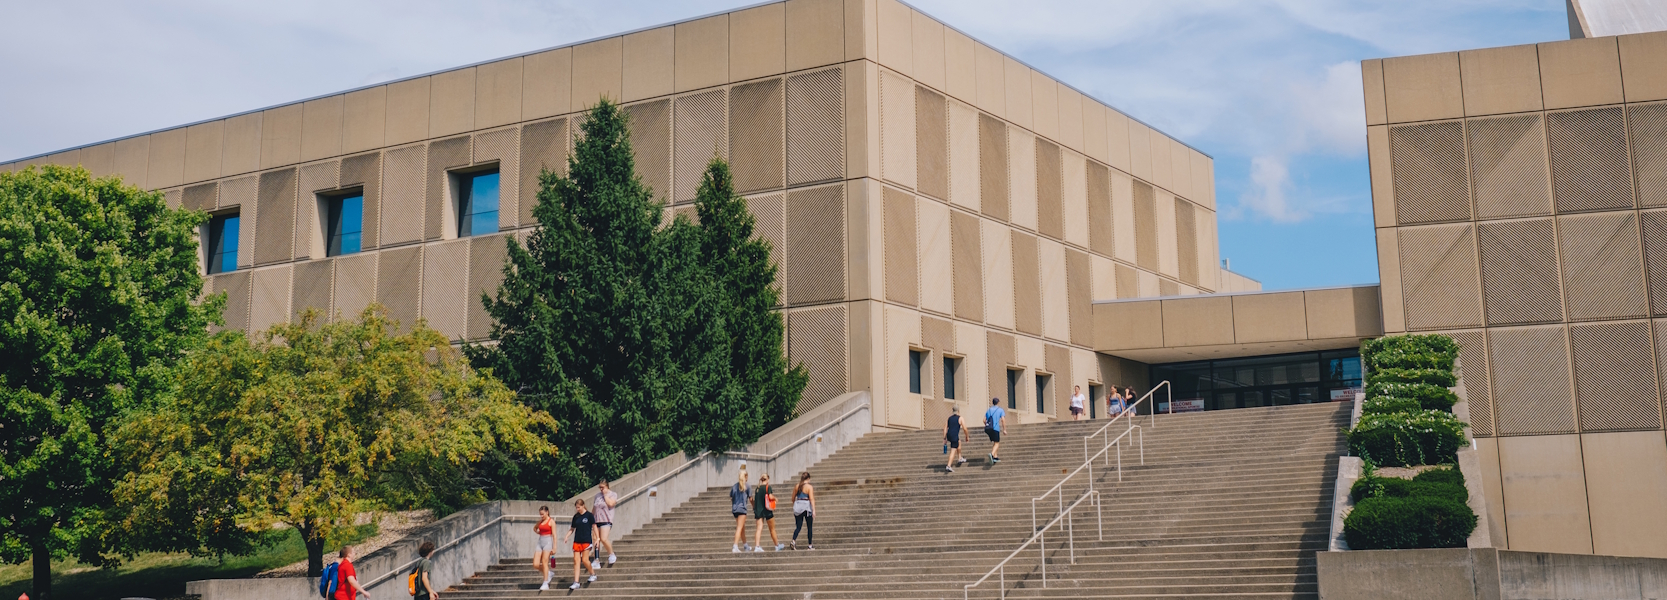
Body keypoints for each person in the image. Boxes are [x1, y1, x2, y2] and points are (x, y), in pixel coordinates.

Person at [561, 499, 599, 590]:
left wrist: (597, 538)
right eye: (576, 507)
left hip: (586, 540)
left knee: (585, 560)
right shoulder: (576, 517)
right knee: (576, 561)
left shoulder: (589, 515)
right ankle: (576, 582)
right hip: (577, 541)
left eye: (579, 507)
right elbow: (572, 529)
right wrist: (566, 536)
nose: (578, 509)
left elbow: (594, 527)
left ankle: (593, 574)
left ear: (583, 506)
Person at [591, 479, 619, 569]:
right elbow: (594, 508)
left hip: (606, 520)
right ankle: (596, 560)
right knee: (596, 540)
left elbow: (611, 504)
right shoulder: (597, 496)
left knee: (603, 538)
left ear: (607, 486)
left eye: (602, 487)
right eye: (600, 487)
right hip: (596, 520)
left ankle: (611, 554)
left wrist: (605, 495)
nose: (601, 489)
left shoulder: (612, 494)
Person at [752, 473, 782, 552]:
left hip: (759, 510)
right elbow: (770, 496)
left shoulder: (757, 488)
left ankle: (757, 546)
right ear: (768, 479)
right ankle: (777, 545)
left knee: (759, 529)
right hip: (767, 510)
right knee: (772, 529)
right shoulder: (768, 487)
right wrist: (776, 499)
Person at [791, 471, 816, 550]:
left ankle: (793, 540)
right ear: (808, 479)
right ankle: (810, 545)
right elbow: (811, 499)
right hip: (807, 507)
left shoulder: (797, 486)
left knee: (798, 526)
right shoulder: (809, 487)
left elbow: (792, 498)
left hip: (798, 506)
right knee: (809, 527)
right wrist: (814, 510)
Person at [730, 466, 753, 552]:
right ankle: (735, 546)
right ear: (746, 476)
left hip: (735, 509)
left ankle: (745, 545)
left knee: (742, 527)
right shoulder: (747, 486)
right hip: (742, 509)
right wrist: (754, 506)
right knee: (739, 528)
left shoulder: (734, 486)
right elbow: (750, 499)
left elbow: (731, 497)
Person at [533, 505, 556, 590]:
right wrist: (539, 533)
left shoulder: (551, 521)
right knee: (535, 564)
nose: (541, 516)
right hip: (540, 541)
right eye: (540, 514)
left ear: (547, 512)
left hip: (548, 541)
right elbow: (535, 528)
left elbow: (554, 535)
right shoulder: (540, 522)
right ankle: (548, 573)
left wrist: (554, 547)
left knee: (544, 562)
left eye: (543, 514)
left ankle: (546, 582)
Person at [944, 406, 969, 472]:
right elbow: (965, 428)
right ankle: (948, 466)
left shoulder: (949, 418)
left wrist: (944, 438)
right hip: (954, 435)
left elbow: (945, 428)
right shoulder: (960, 418)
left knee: (959, 442)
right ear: (958, 411)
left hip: (949, 435)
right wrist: (967, 436)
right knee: (953, 450)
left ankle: (960, 458)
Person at [984, 398, 1007, 464]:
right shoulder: (1000, 410)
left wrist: (987, 425)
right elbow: (1003, 420)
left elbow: (984, 420)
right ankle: (992, 454)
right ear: (998, 402)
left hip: (989, 429)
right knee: (997, 443)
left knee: (995, 442)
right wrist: (1004, 429)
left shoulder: (989, 410)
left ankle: (995, 457)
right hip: (995, 428)